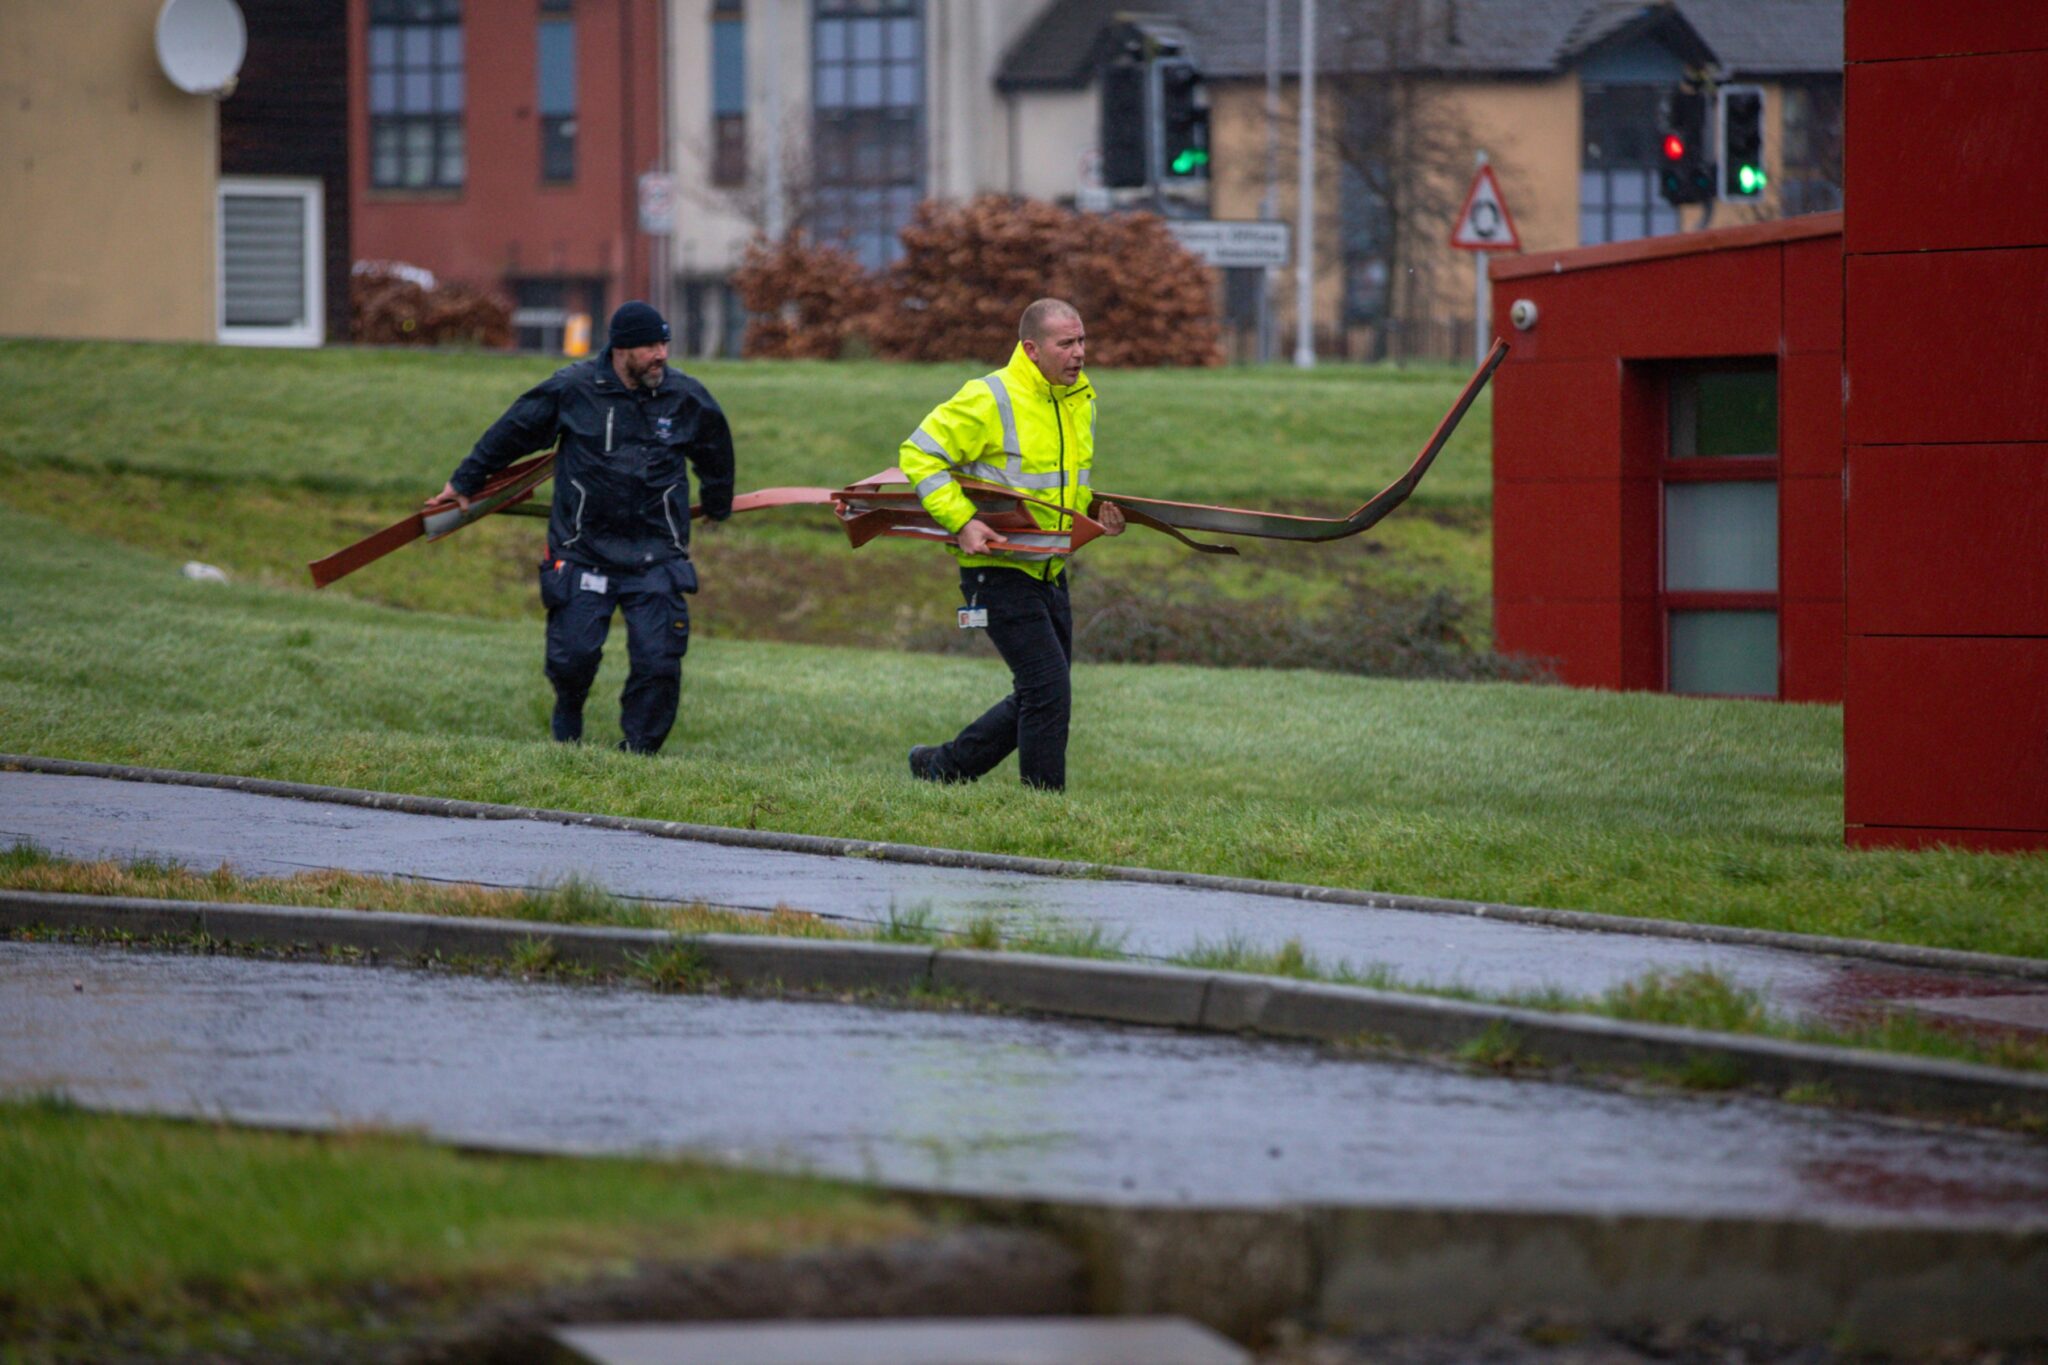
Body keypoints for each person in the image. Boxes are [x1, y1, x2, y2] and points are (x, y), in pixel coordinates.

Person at [431, 300, 735, 755]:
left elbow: (716, 450)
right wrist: (464, 482)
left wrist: (717, 503)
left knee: (659, 663)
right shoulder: (573, 390)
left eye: (664, 344)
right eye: (650, 346)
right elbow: (511, 433)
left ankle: (639, 754)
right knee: (572, 658)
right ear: (621, 349)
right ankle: (568, 720)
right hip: (583, 550)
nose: (661, 355)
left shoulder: (684, 397)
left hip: (656, 554)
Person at [899, 298, 1124, 792]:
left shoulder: (1078, 400)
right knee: (1048, 691)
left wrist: (1093, 523)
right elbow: (918, 455)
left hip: (1049, 569)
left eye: (1082, 341)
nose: (1079, 353)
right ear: (1031, 349)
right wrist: (962, 522)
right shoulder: (989, 397)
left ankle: (942, 767)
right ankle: (1043, 805)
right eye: (1066, 343)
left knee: (1040, 692)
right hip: (997, 570)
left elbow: (1059, 492)